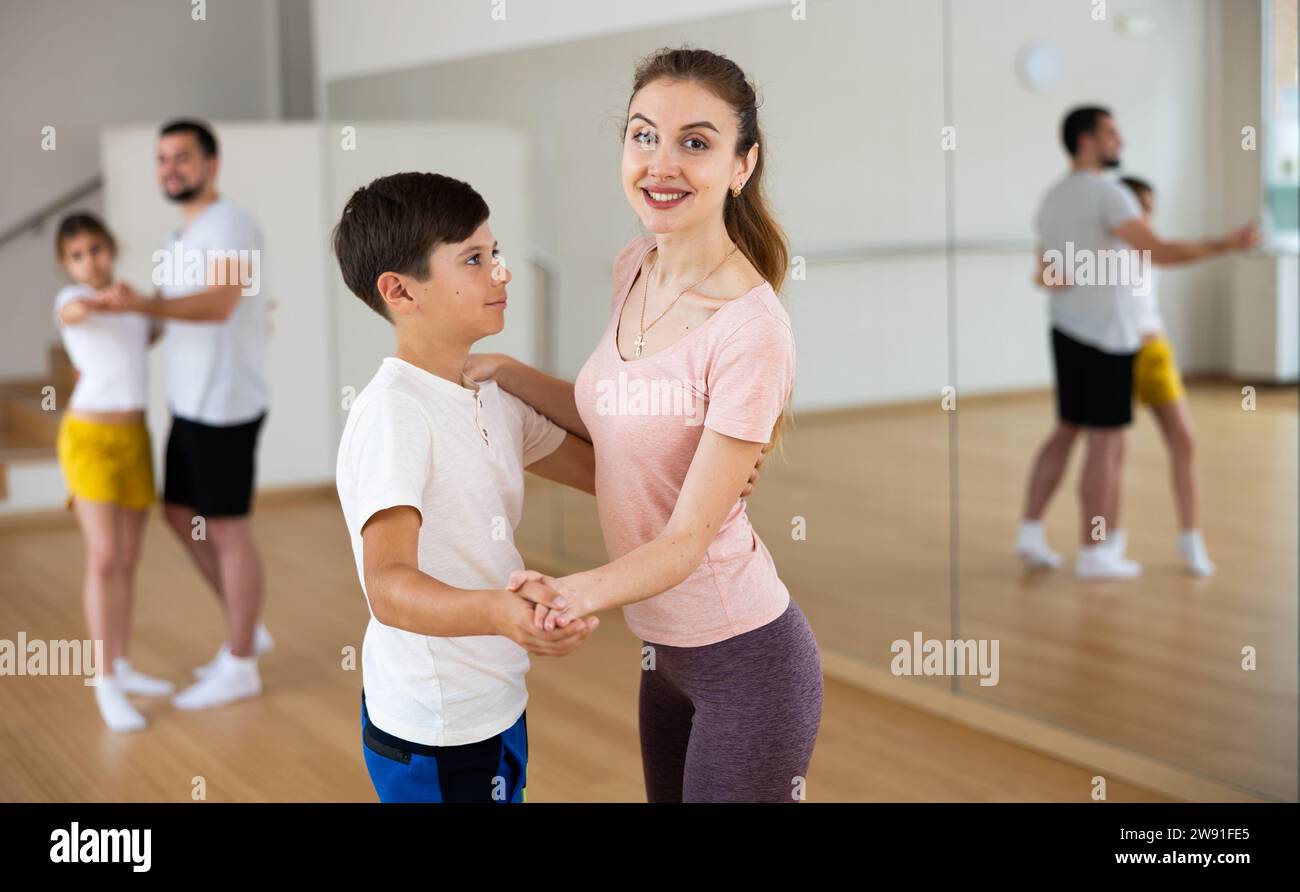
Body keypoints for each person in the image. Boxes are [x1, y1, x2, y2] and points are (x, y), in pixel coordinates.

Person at [471, 47, 824, 802]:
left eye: (695, 142)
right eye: (643, 136)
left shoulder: (752, 329)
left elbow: (687, 541)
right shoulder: (634, 264)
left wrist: (569, 594)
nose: (661, 163)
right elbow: (615, 419)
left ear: (742, 165)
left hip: (748, 660)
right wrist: (508, 372)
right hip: (663, 658)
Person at [331, 171, 600, 803]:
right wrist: (500, 613)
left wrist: (511, 369)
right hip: (437, 727)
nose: (501, 273)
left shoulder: (489, 397)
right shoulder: (394, 414)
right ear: (400, 291)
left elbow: (606, 460)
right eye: (474, 260)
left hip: (496, 696)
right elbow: (389, 589)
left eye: (495, 254)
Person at [1017, 106, 1258, 579]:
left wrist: (1066, 276)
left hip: (1067, 331)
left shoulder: (1052, 199)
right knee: (1106, 445)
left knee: (1069, 430)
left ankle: (1031, 533)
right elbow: (1160, 252)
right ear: (1085, 140)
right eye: (1111, 133)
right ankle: (1096, 551)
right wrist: (1227, 244)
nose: (1119, 141)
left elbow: (1045, 270)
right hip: (1108, 338)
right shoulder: (1108, 195)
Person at [95, 119, 273, 707]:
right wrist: (107, 341)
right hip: (189, 403)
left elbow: (220, 305)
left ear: (211, 164)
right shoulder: (178, 238)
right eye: (162, 158)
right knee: (178, 512)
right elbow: (163, 318)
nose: (170, 168)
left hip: (225, 405)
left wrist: (147, 302)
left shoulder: (233, 225)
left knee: (227, 529)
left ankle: (242, 660)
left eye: (182, 157)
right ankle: (245, 626)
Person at [52, 212, 173, 731]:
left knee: (127, 559)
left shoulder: (133, 304)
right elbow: (76, 314)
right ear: (66, 263)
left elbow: (150, 334)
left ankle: (121, 667)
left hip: (134, 438)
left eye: (96, 249)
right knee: (103, 557)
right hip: (88, 439)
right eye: (77, 255)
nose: (89, 261)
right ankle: (103, 681)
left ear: (111, 248)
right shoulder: (69, 301)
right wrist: (99, 302)